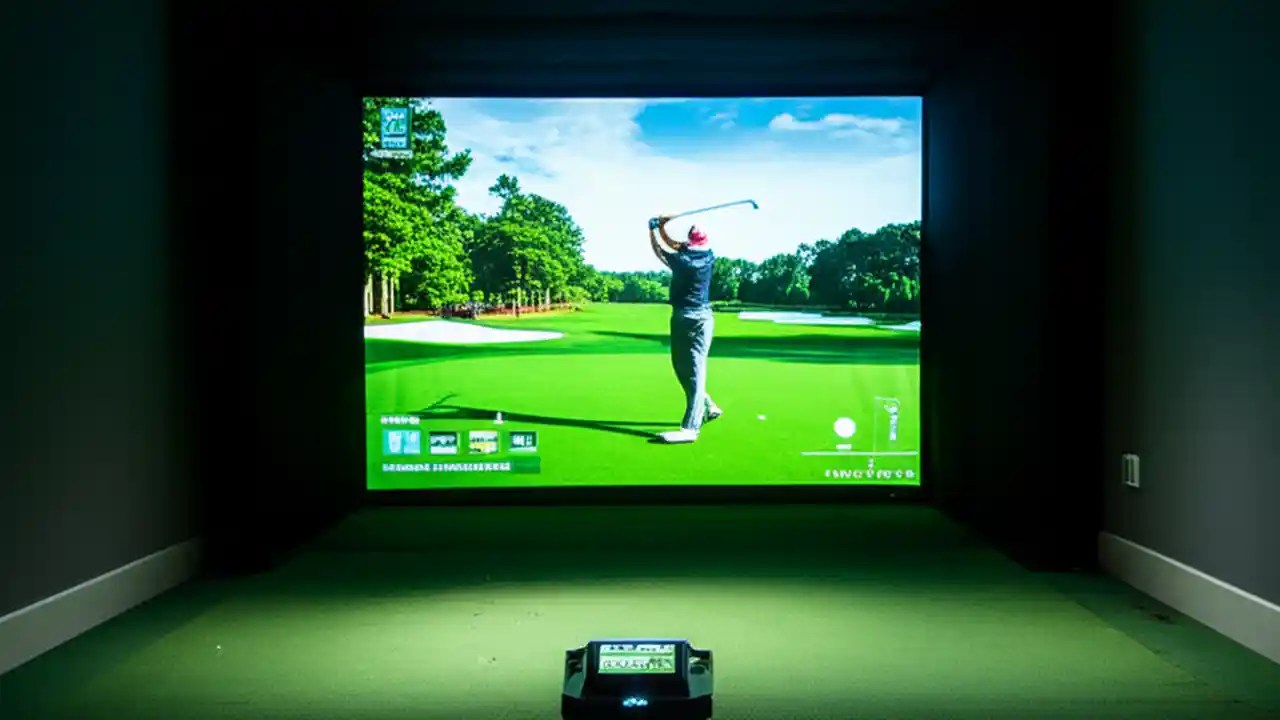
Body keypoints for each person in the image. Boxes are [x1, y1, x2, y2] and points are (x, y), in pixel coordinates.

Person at [649, 214, 724, 443]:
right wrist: (662, 227)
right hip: (702, 318)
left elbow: (660, 250)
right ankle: (709, 406)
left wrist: (652, 230)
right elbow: (673, 244)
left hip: (687, 318)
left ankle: (691, 427)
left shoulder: (682, 261)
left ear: (690, 242)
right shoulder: (708, 256)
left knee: (695, 368)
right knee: (681, 367)